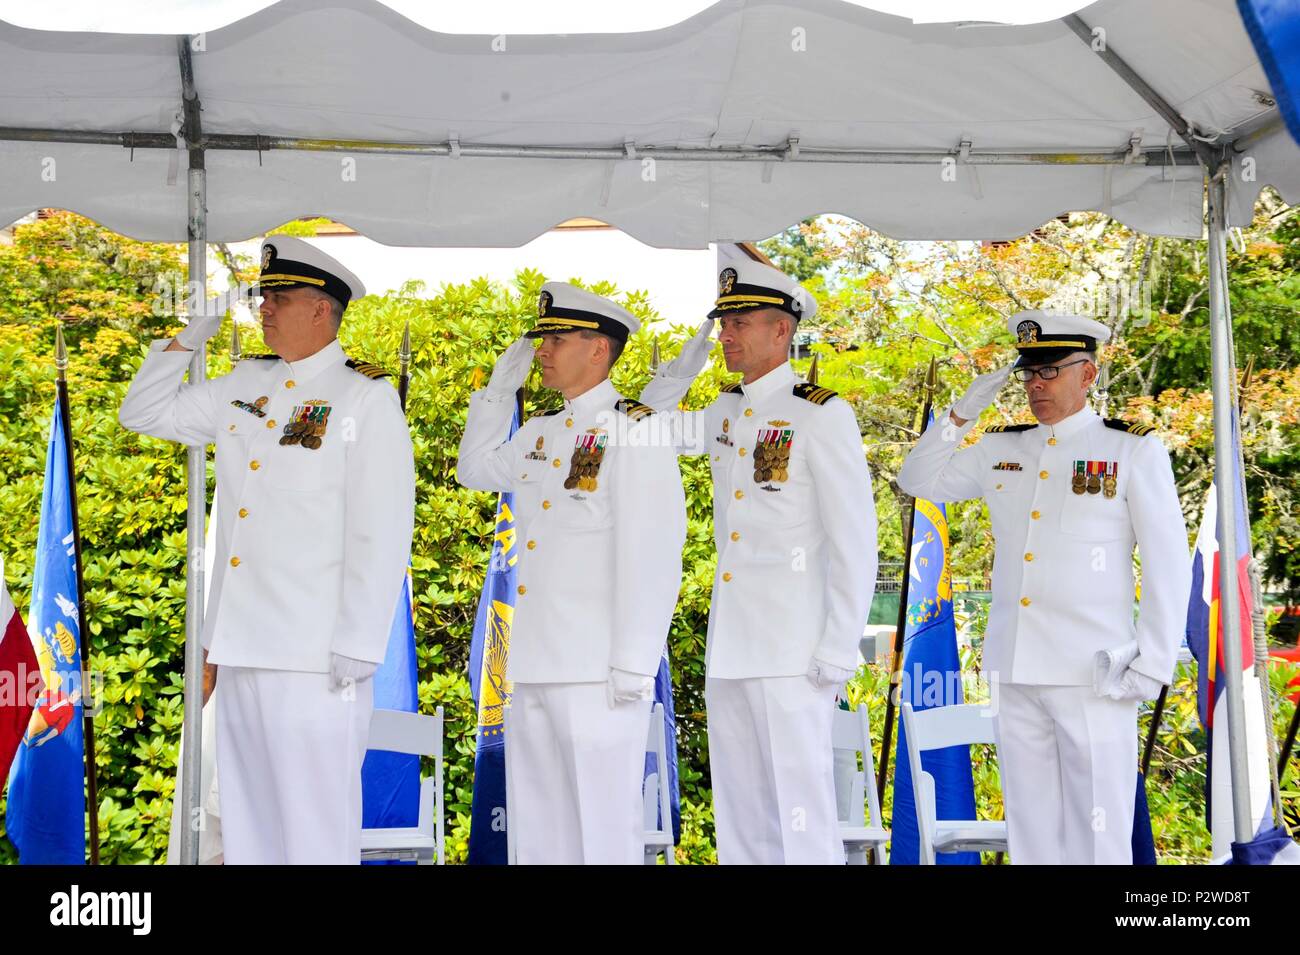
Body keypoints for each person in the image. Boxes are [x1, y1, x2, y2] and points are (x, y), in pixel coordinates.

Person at [119, 235, 414, 864]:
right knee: (249, 829)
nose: (265, 307)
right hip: (240, 647)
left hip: (316, 657)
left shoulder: (364, 398)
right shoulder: (242, 387)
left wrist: (359, 645)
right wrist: (192, 332)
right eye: (262, 296)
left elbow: (381, 528)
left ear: (322, 310)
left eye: (280, 297)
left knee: (313, 830)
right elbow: (142, 412)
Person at [896, 310, 1191, 864]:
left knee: (1098, 832)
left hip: (1094, 672)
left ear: (1089, 374)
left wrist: (1153, 661)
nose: (1036, 385)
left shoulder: (1131, 450)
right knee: (1033, 835)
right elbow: (917, 480)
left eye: (1051, 371)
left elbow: (1167, 560)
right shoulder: (1002, 449)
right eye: (1029, 373)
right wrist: (960, 415)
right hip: (1017, 665)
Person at [640, 250, 878, 864]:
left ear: (782, 329)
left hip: (796, 649)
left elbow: (855, 537)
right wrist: (685, 361)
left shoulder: (821, 415)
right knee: (742, 814)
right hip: (734, 644)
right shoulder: (723, 410)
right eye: (722, 323)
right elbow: (638, 426)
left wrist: (837, 645)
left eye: (739, 323)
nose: (726, 335)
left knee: (800, 813)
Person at [456, 281, 686, 864]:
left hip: (599, 672)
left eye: (558, 338)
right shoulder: (540, 434)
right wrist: (496, 392)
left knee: (600, 833)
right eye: (544, 338)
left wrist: (634, 663)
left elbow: (655, 552)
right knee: (538, 835)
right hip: (534, 664)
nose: (544, 349)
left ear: (598, 350)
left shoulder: (637, 429)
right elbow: (474, 470)